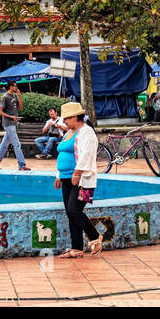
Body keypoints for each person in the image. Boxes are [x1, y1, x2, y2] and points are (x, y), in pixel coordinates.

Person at [54, 101, 101, 257]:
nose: (64, 122)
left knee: (74, 210)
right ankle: (77, 248)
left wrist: (77, 173)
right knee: (70, 213)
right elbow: (64, 154)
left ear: (75, 117)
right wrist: (58, 175)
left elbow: (87, 154)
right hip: (67, 179)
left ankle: (95, 236)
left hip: (82, 180)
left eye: (66, 119)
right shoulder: (68, 132)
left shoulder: (87, 132)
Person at [0, 79, 29, 171]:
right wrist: (11, 117)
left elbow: (21, 108)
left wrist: (19, 96)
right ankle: (22, 165)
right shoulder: (5, 97)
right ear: (11, 87)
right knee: (17, 144)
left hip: (13, 123)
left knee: (4, 145)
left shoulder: (14, 96)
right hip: (8, 123)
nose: (16, 87)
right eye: (15, 86)